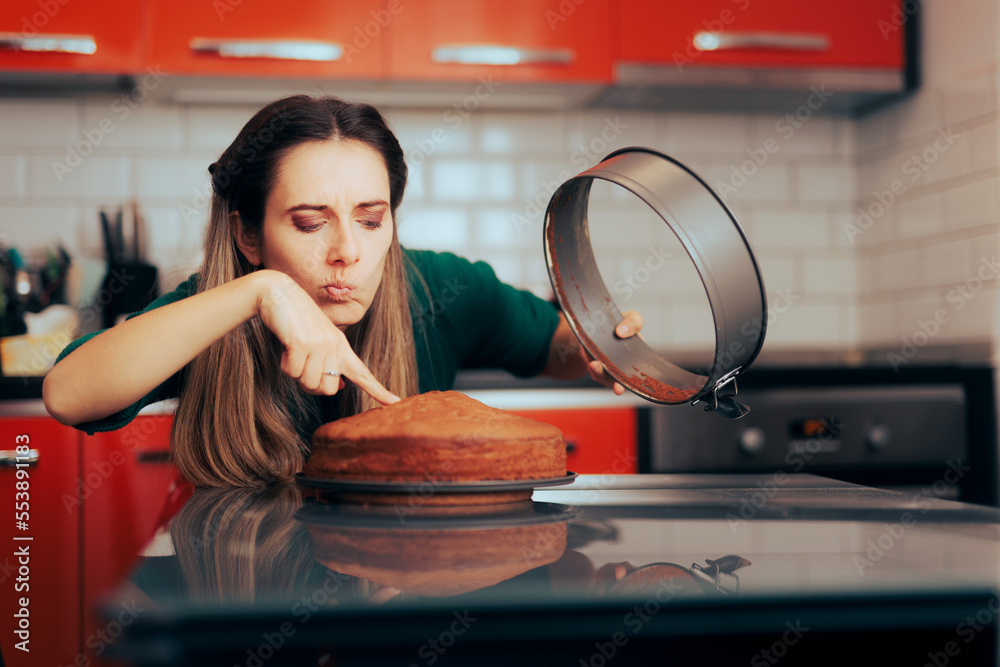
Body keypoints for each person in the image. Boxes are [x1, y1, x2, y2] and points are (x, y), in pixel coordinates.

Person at [42, 95, 642, 487]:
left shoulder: (442, 287)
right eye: (309, 222)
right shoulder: (214, 309)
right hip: (242, 596)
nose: (347, 252)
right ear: (248, 235)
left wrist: (601, 349)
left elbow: (555, 346)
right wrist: (262, 293)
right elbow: (68, 393)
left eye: (371, 219)